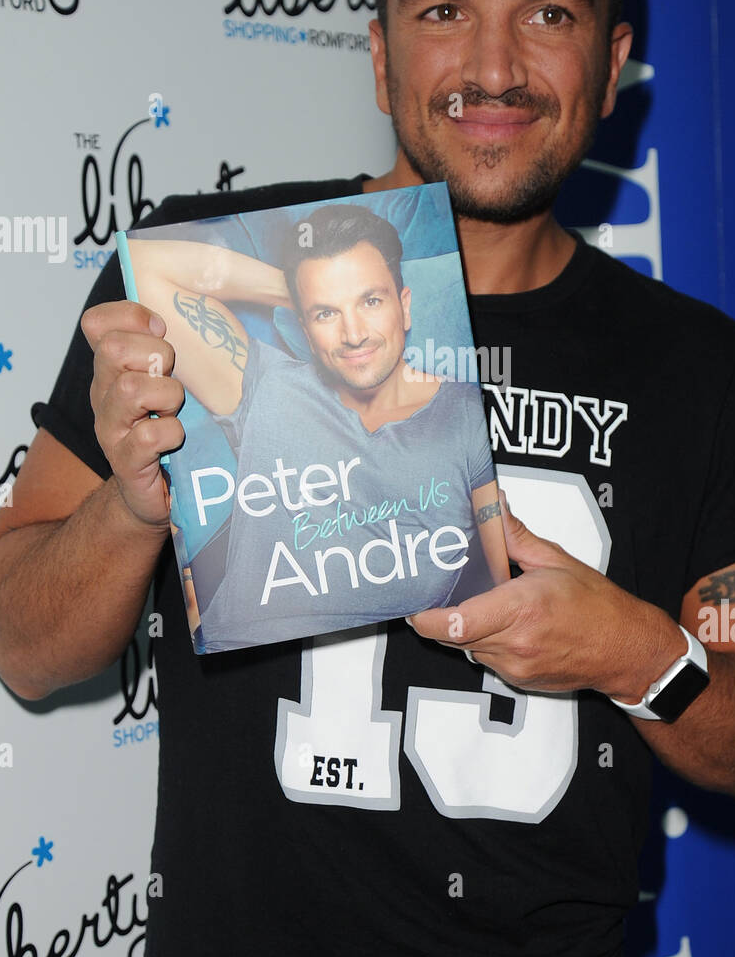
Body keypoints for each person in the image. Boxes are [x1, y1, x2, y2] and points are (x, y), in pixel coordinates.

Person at [0, 0, 735, 957]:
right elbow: (24, 645)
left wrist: (637, 652)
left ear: (610, 54)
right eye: (440, 11)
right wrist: (132, 508)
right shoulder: (208, 286)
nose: (491, 68)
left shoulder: (692, 363)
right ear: (377, 53)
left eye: (545, 14)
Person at [124, 202, 507, 649]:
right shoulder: (268, 386)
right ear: (305, 327)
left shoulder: (464, 414)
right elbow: (141, 265)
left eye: (370, 300)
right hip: (233, 671)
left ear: (404, 306)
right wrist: (297, 292)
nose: (354, 334)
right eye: (326, 314)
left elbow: (497, 597)